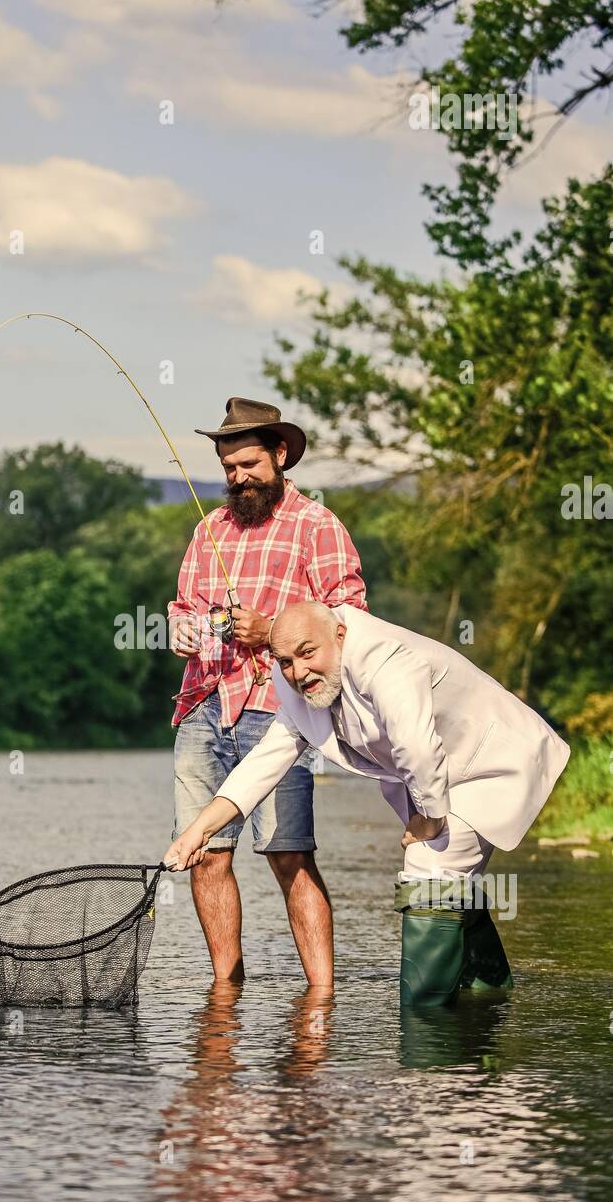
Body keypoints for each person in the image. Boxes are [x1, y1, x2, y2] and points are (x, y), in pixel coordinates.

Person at [164, 600, 570, 1007]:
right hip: (440, 776)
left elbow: (416, 747)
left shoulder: (385, 658)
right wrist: (200, 830)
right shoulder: (297, 681)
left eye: (308, 653)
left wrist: (429, 818)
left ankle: (425, 1034)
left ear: (340, 634)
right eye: (285, 661)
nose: (298, 672)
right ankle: (485, 1007)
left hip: (490, 762)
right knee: (450, 884)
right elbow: (264, 764)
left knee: (430, 871)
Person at [168, 397, 367, 988]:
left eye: (249, 465)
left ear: (280, 455)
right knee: (205, 854)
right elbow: (185, 605)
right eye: (229, 468)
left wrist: (272, 630)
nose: (238, 478)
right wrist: (179, 625)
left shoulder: (317, 525)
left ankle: (322, 995)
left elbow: (348, 618)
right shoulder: (209, 532)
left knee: (289, 854)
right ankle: (225, 990)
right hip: (203, 705)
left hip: (282, 713)